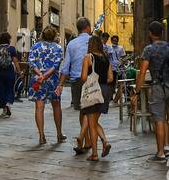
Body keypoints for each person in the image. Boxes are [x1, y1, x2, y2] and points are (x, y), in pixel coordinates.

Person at [136, 20, 169, 162]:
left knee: (158, 119)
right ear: (162, 33)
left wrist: (137, 91)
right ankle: (166, 147)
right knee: (163, 117)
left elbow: (142, 72)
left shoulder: (149, 49)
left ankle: (160, 153)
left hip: (158, 87)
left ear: (150, 34)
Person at [28, 24, 66, 146]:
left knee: (39, 107)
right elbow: (55, 66)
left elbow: (32, 62)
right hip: (53, 81)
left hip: (37, 80)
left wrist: (40, 75)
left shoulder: (35, 46)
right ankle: (59, 133)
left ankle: (41, 135)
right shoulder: (58, 48)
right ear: (54, 35)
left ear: (42, 35)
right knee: (56, 106)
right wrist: (45, 76)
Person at [58, 17, 92, 153]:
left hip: (77, 80)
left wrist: (61, 83)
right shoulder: (94, 41)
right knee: (91, 111)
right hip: (91, 78)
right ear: (88, 27)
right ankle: (82, 136)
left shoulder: (71, 44)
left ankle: (87, 140)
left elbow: (65, 67)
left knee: (83, 110)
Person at [79, 33, 113, 161]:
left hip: (93, 91)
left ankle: (94, 154)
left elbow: (83, 77)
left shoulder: (88, 57)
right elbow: (111, 78)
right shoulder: (106, 57)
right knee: (94, 121)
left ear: (90, 45)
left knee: (92, 124)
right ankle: (105, 142)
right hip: (105, 90)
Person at [0, 32, 20, 116]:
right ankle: (8, 103)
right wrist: (18, 71)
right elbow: (15, 61)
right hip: (9, 71)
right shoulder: (12, 49)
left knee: (1, 90)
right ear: (8, 40)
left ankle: (4, 109)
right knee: (10, 88)